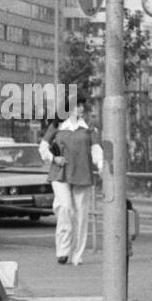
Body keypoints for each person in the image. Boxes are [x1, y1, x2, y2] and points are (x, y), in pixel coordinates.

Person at [39, 98, 103, 265]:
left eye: (82, 105)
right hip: (60, 173)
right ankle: (63, 250)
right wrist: (54, 158)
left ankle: (76, 255)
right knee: (66, 208)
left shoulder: (88, 127)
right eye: (77, 106)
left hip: (82, 174)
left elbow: (97, 150)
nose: (81, 109)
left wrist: (103, 168)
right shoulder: (57, 126)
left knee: (81, 216)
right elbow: (43, 148)